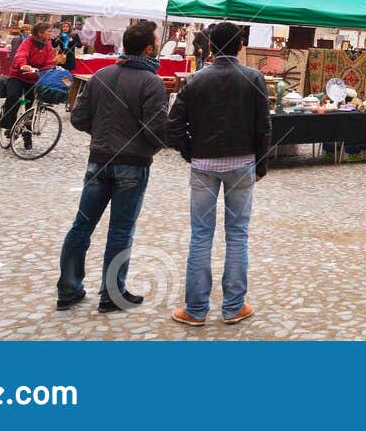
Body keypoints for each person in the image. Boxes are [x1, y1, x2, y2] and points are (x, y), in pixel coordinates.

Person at [57, 21, 169, 312]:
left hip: (99, 160)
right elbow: (156, 130)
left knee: (82, 226)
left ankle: (68, 288)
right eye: (156, 42)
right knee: (120, 230)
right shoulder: (152, 82)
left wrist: (101, 135)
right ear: (148, 49)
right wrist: (148, 146)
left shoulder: (101, 76)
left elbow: (78, 118)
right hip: (132, 163)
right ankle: (111, 293)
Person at [167, 21, 270, 327]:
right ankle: (234, 306)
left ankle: (196, 309)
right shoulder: (254, 78)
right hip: (241, 162)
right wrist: (261, 165)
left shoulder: (195, 80)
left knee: (201, 234)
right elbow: (263, 126)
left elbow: (173, 125)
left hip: (204, 164)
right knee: (237, 234)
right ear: (240, 45)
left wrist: (190, 151)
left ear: (210, 46)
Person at [1, 21, 58, 144]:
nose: (51, 34)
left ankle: (27, 134)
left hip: (35, 78)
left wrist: (50, 69)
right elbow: (21, 54)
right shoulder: (28, 42)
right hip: (19, 75)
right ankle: (9, 125)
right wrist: (23, 65)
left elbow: (49, 60)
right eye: (49, 31)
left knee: (32, 106)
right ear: (40, 33)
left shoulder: (47, 44)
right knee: (13, 96)